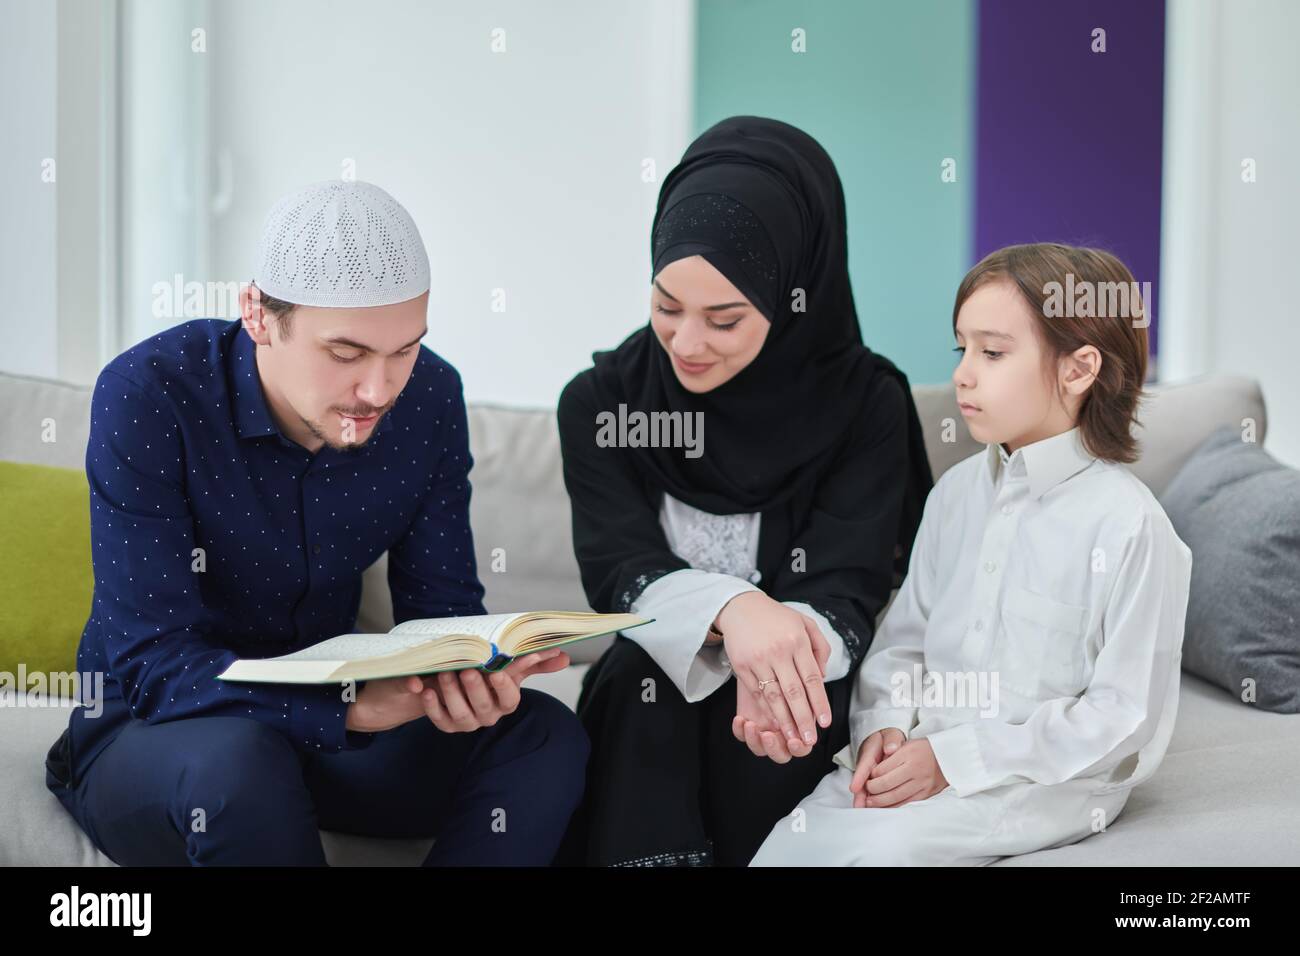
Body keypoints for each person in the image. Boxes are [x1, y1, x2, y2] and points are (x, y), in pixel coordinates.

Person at [44, 179, 588, 866]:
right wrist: (348, 709)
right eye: (346, 353)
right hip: (164, 731)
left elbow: (442, 610)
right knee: (241, 764)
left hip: (336, 743)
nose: (379, 390)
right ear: (257, 314)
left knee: (541, 735)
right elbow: (155, 666)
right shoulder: (150, 395)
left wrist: (464, 679)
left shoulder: (430, 398)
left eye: (404, 350)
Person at [554, 116, 934, 866]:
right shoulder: (604, 404)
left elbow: (847, 585)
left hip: (799, 697)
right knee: (643, 674)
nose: (687, 344)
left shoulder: (865, 406)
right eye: (666, 306)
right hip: (646, 700)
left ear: (796, 293)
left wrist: (773, 654)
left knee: (773, 710)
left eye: (724, 319)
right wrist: (736, 610)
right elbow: (619, 572)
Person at [751, 242, 1193, 866]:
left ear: (1077, 368)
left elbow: (1122, 715)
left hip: (1046, 782)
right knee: (786, 847)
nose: (963, 372)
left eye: (992, 352)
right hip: (925, 749)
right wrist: (885, 726)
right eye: (962, 348)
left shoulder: (1130, 525)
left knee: (881, 854)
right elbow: (904, 641)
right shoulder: (955, 495)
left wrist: (957, 761)